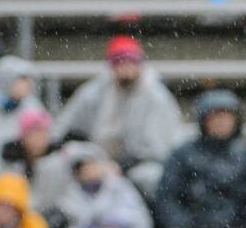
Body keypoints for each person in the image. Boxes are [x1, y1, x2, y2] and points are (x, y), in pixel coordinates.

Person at [155, 89, 246, 228]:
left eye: (226, 116)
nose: (221, 122)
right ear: (203, 120)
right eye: (215, 116)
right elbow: (167, 198)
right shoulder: (183, 155)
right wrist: (187, 226)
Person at [51, 36, 182, 193]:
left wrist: (120, 166)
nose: (126, 68)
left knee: (150, 177)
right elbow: (67, 125)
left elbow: (157, 150)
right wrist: (87, 161)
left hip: (140, 164)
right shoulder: (96, 91)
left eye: (131, 62)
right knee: (55, 167)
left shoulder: (156, 97)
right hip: (95, 159)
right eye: (120, 62)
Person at [1, 110, 70, 214]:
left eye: (41, 133)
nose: (37, 139)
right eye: (32, 134)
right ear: (23, 137)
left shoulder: (59, 161)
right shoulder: (12, 162)